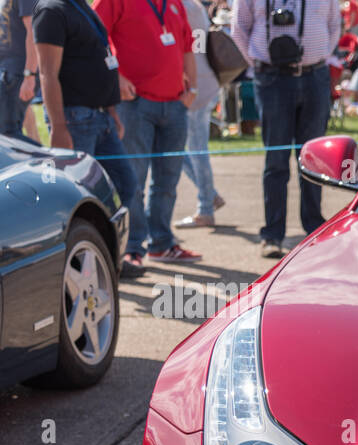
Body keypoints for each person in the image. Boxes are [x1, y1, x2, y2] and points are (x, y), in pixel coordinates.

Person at [32, 0, 141, 276]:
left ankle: (104, 257)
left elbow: (103, 61)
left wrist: (113, 113)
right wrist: (58, 126)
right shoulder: (51, 10)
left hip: (101, 118)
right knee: (78, 197)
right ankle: (81, 265)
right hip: (74, 119)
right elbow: (47, 73)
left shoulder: (82, 7)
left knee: (124, 184)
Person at [95, 0, 202, 267]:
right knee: (133, 180)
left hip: (175, 105)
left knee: (168, 181)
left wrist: (193, 89)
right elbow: (94, 35)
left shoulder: (174, 3)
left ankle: (162, 243)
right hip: (134, 105)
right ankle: (132, 248)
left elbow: (187, 46)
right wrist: (115, 77)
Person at [231, 0, 341, 259]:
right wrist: (261, 62)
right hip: (272, 79)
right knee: (276, 161)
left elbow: (334, 25)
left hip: (314, 76)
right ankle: (272, 234)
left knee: (314, 160)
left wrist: (319, 54)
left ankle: (315, 229)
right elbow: (239, 29)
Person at [175, 0, 225, 230]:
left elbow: (187, 49)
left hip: (193, 85)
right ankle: (208, 196)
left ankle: (206, 206)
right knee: (186, 149)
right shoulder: (192, 6)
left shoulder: (182, 6)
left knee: (193, 150)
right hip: (202, 83)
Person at [0, 0, 38, 140]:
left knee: (7, 134)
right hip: (9, 72)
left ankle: (44, 160)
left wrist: (29, 75)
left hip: (17, 72)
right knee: (9, 133)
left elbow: (33, 30)